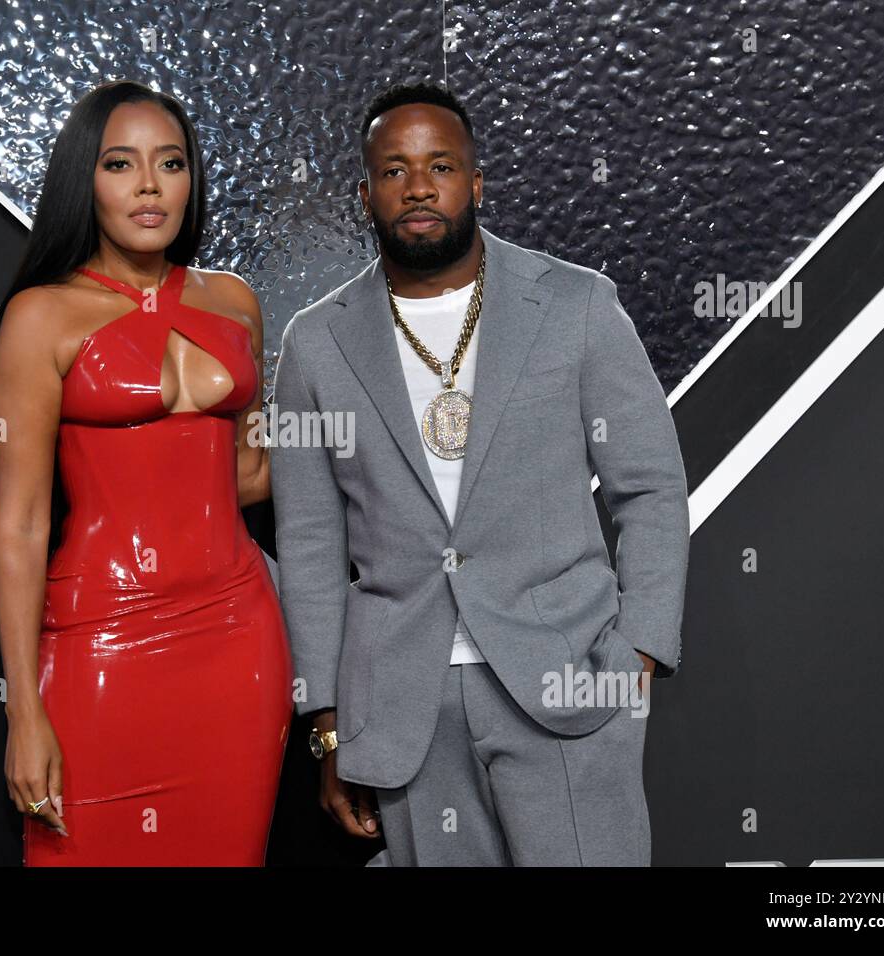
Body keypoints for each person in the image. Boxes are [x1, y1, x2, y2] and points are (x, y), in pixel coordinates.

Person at [271, 82, 690, 865]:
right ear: (366, 194)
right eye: (395, 170)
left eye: (442, 166)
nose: (420, 186)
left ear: (477, 182)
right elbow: (308, 543)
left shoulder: (576, 305)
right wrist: (325, 720)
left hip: (567, 681)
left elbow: (652, 487)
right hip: (403, 708)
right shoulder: (316, 343)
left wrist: (637, 652)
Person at [0, 80, 293, 865]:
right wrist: (24, 712)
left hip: (237, 640)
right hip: (97, 647)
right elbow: (19, 521)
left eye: (171, 163)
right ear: (87, 178)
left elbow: (249, 473)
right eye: (121, 164)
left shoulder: (236, 302)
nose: (150, 185)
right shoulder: (41, 317)